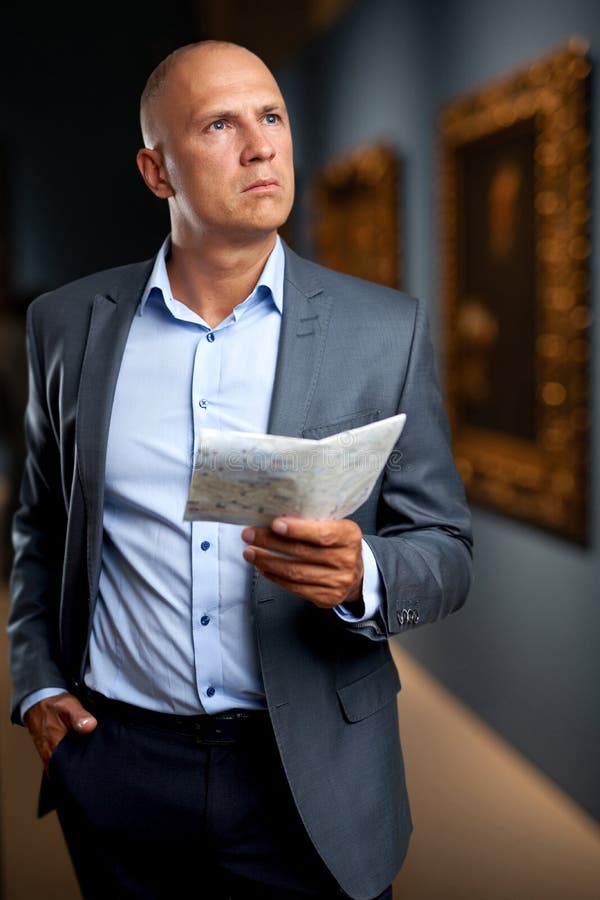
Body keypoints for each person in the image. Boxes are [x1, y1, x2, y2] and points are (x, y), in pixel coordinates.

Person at [8, 40, 473, 900]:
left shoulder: (385, 329)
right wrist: (33, 678)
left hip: (310, 772)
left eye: (271, 116)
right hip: (118, 763)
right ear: (157, 172)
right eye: (220, 124)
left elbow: (446, 545)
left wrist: (363, 573)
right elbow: (39, 523)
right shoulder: (66, 326)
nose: (261, 146)